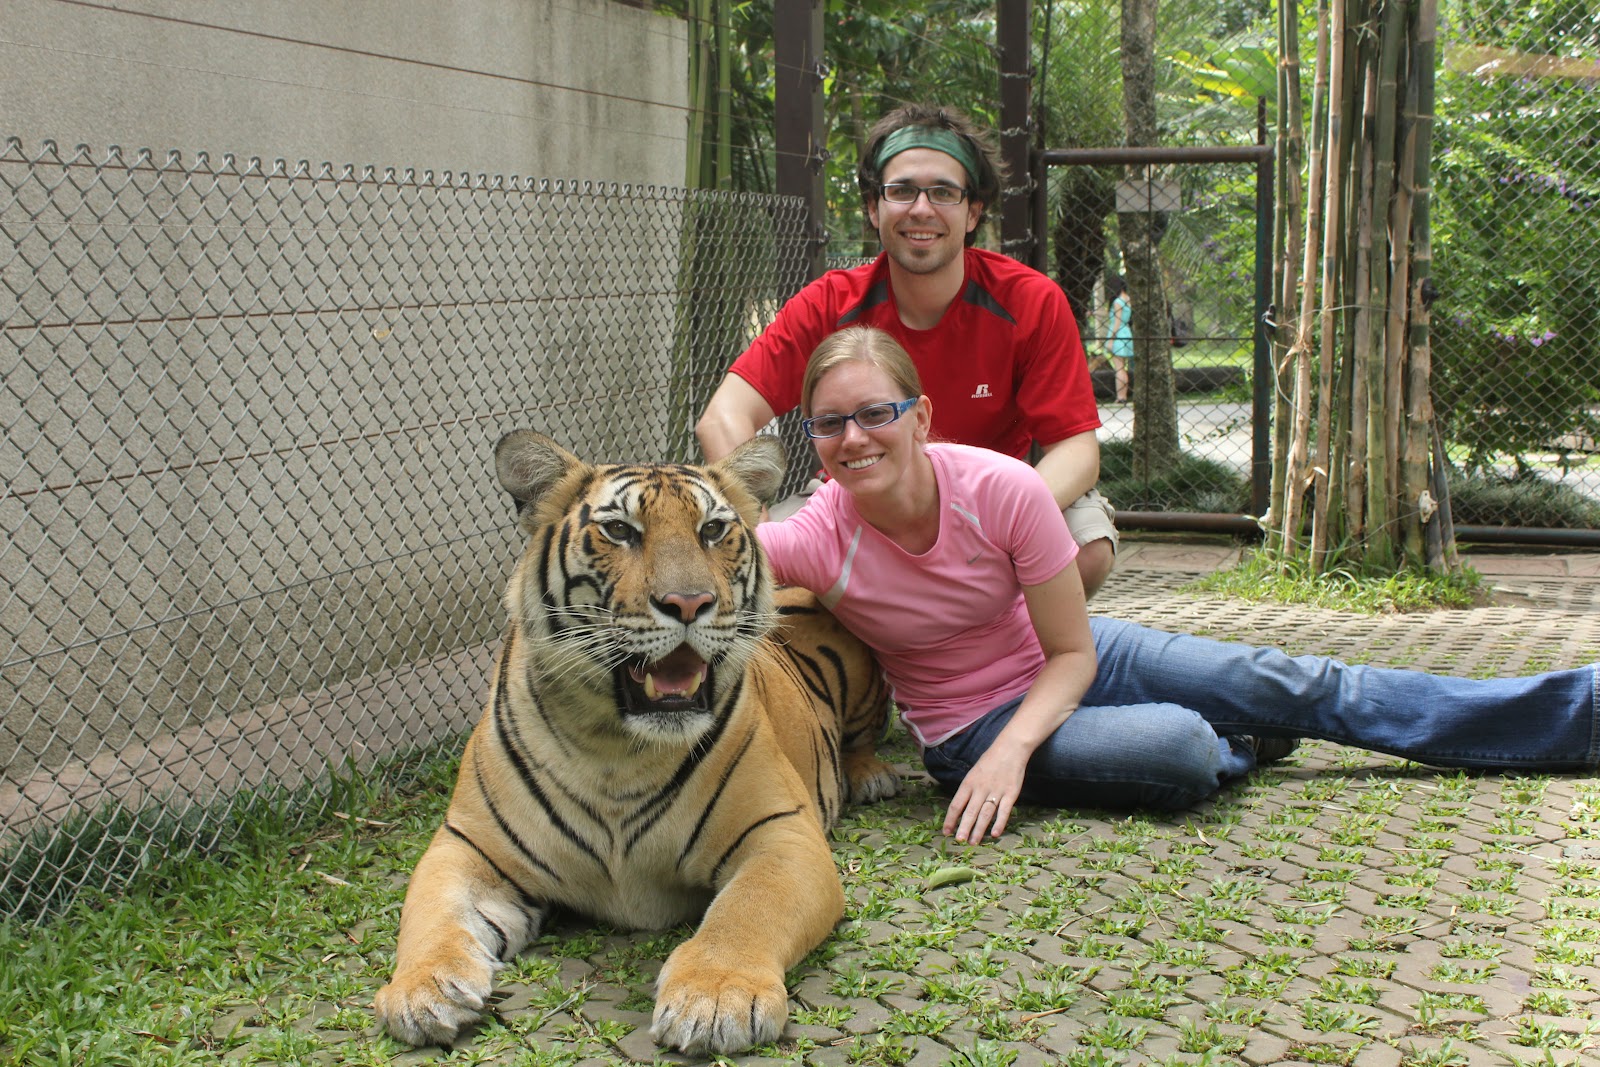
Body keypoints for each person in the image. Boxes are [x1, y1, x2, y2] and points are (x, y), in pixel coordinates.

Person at [754, 327, 1599, 844]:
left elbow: (1072, 653)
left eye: (876, 412)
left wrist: (1018, 756)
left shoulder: (1001, 489)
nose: (853, 437)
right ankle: (1242, 737)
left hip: (1072, 662)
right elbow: (715, 547)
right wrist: (996, 747)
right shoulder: (817, 537)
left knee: (1293, 677)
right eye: (829, 422)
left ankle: (1575, 713)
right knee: (1182, 748)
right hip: (970, 726)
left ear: (922, 417)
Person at [696, 103, 1119, 599]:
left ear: (972, 212)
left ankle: (1008, 641)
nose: (921, 209)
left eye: (944, 192)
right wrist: (756, 522)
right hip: (857, 496)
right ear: (874, 209)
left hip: (992, 503)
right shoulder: (829, 302)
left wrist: (1002, 517)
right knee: (761, 568)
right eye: (901, 191)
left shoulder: (1030, 300)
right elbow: (722, 417)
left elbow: (1076, 450)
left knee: (1086, 549)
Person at [1107, 276, 1133, 403]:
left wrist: (1111, 340)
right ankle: (1124, 395)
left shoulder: (1117, 302)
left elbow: (1117, 322)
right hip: (1126, 332)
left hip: (1118, 334)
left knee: (1119, 367)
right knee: (1123, 367)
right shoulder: (1128, 299)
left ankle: (1120, 396)